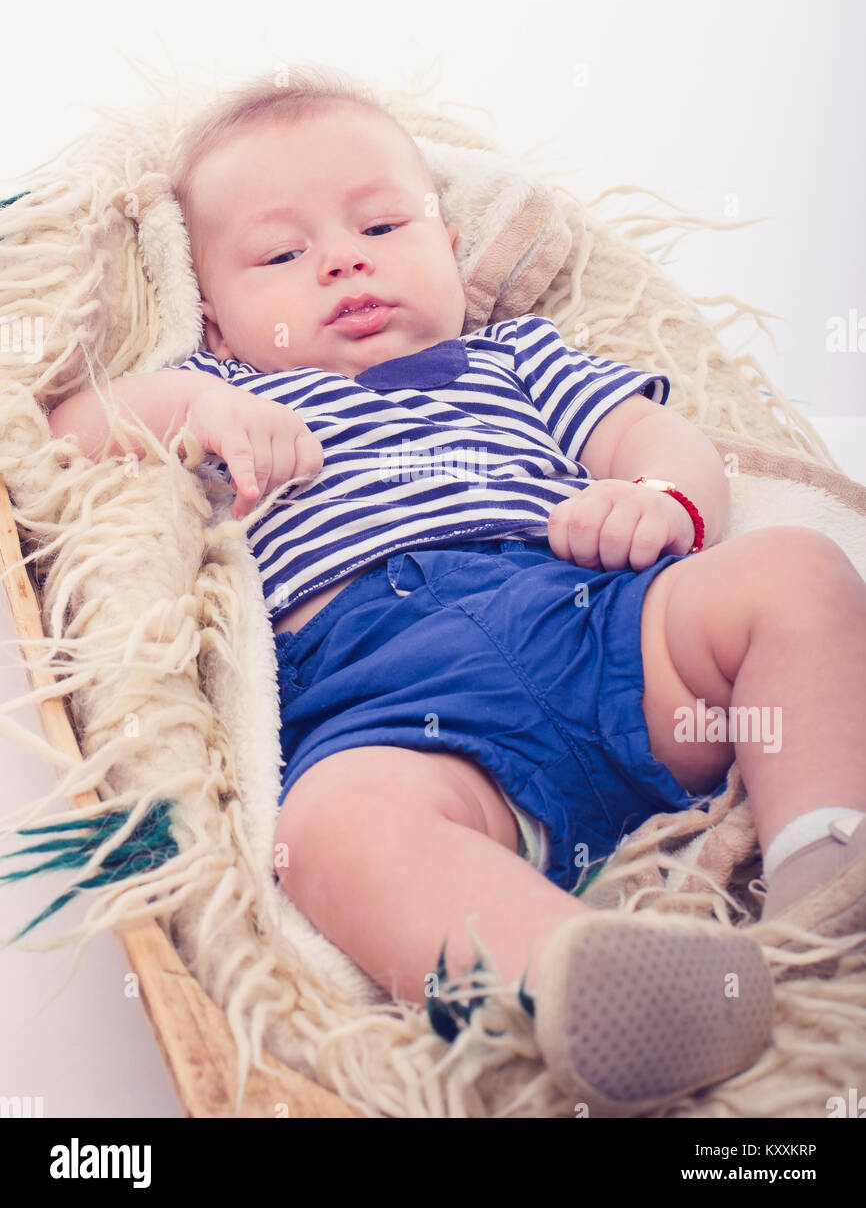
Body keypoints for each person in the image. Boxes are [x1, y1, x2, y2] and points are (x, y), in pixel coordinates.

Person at [49, 69, 866, 1116]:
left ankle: (822, 871)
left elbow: (655, 435)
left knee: (793, 570)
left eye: (383, 225)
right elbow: (65, 438)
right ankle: (581, 977)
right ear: (214, 322)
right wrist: (194, 405)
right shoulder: (232, 399)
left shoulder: (512, 357)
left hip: (599, 629)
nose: (343, 260)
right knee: (333, 829)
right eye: (282, 254)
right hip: (400, 712)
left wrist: (658, 500)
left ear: (448, 246)